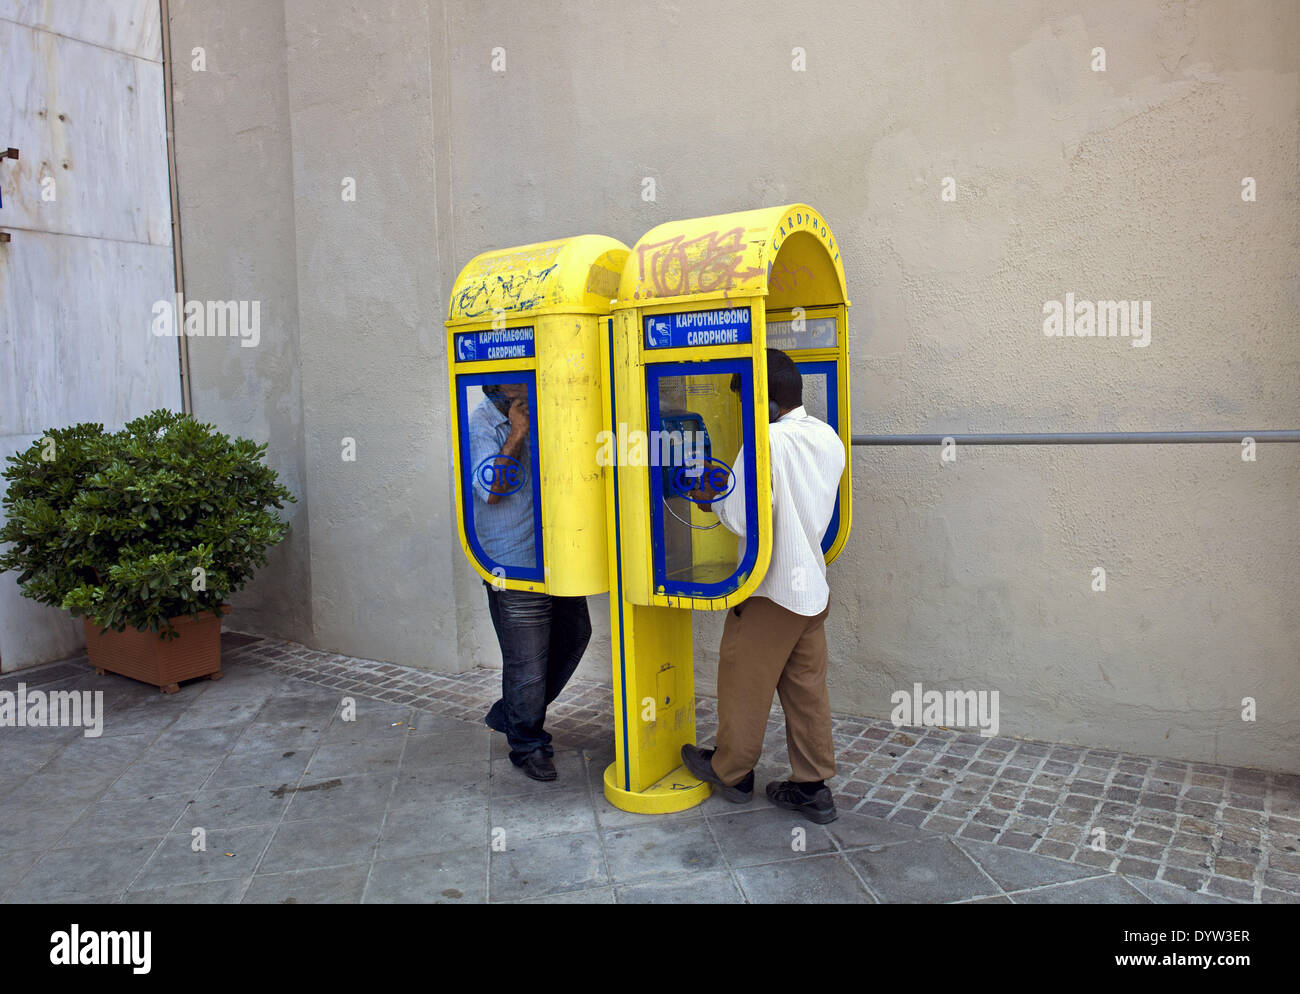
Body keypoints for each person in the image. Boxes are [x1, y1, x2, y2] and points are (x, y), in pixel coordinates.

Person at [679, 350, 846, 822]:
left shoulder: (764, 442)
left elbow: (741, 515)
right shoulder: (826, 436)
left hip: (770, 588)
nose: (744, 413)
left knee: (742, 681)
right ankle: (813, 787)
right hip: (811, 586)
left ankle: (730, 771)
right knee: (806, 689)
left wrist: (710, 500)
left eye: (745, 401)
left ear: (766, 401)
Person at [467, 382, 591, 782]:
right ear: (500, 382)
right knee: (527, 662)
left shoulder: (544, 410)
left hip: (557, 555)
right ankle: (527, 743)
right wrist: (517, 432)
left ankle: (512, 712)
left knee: (575, 634)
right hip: (512, 562)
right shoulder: (482, 425)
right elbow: (491, 491)